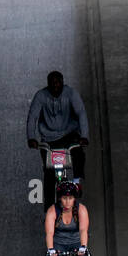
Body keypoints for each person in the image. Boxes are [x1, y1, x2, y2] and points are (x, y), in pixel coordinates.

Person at [27, 71, 89, 207]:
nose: (55, 86)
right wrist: (31, 138)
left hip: (69, 134)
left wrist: (84, 136)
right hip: (48, 139)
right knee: (49, 173)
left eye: (58, 82)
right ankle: (49, 209)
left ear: (62, 82)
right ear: (48, 84)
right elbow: (32, 117)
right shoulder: (41, 96)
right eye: (52, 83)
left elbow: (81, 113)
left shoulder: (71, 94)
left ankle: (77, 182)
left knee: (78, 154)